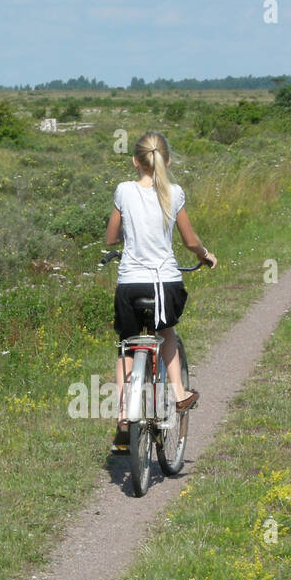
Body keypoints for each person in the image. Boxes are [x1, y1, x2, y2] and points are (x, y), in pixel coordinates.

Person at [104, 130, 217, 452]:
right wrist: (204, 256)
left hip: (129, 284)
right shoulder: (175, 192)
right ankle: (180, 394)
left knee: (127, 345)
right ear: (167, 160)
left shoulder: (124, 191)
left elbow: (111, 238)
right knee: (165, 332)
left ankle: (124, 416)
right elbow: (190, 241)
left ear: (134, 162)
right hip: (164, 282)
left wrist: (132, 237)